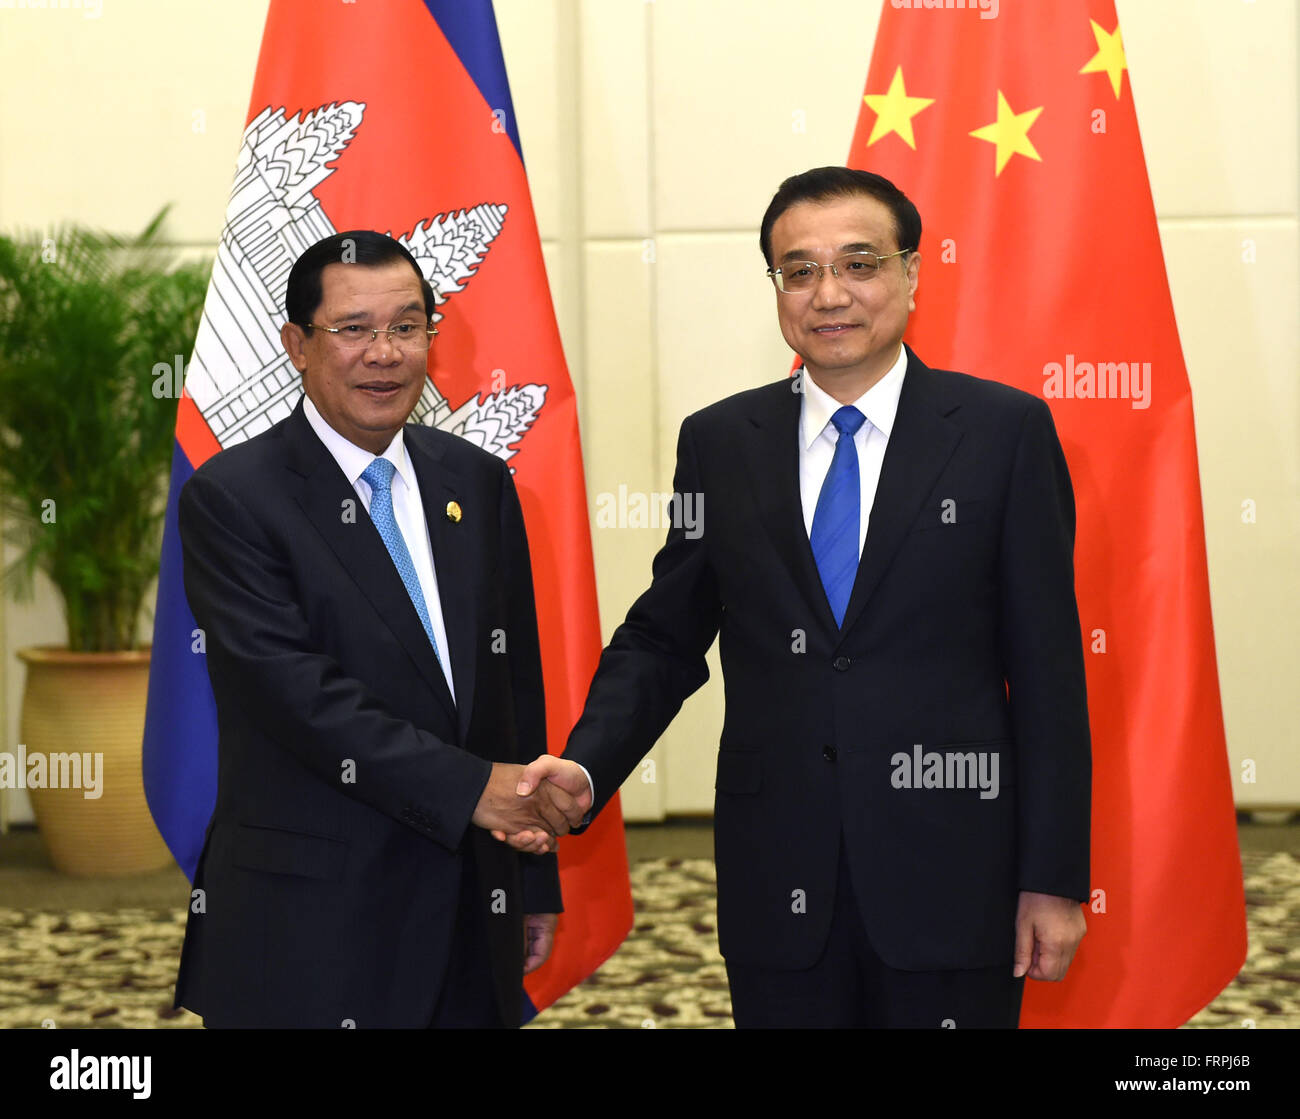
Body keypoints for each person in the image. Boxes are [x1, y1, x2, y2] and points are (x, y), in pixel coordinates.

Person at [503, 167, 1091, 1028]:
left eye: (860, 264)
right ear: (777, 285)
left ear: (912, 273)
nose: (830, 294)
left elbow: (1048, 672)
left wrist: (1053, 877)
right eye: (800, 269)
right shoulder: (720, 442)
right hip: (778, 875)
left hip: (953, 873)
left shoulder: (1004, 433)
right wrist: (588, 766)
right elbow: (665, 638)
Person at [171, 230, 588, 1028]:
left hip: (472, 901)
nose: (385, 353)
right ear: (297, 344)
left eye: (407, 325)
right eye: (353, 328)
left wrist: (530, 878)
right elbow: (297, 697)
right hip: (313, 920)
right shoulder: (234, 498)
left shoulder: (476, 480)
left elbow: (509, 686)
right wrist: (477, 791)